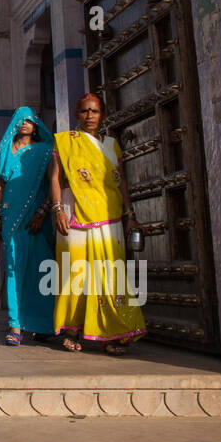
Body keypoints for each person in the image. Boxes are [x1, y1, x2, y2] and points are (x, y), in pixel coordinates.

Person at [47, 93, 146, 354]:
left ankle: (113, 332)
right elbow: (55, 177)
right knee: (75, 274)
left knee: (110, 276)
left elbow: (121, 180)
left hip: (109, 216)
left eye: (94, 111)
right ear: (77, 114)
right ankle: (72, 329)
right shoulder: (65, 142)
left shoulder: (112, 145)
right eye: (84, 111)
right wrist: (57, 209)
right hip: (74, 213)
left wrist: (130, 214)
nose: (89, 116)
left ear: (102, 114)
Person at [0, 107, 57, 345]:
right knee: (13, 269)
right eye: (21, 120)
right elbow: (0, 187)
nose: (26, 124)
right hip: (11, 217)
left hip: (36, 220)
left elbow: (53, 183)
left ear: (36, 125)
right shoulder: (5, 152)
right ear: (15, 124)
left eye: (31, 120)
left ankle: (44, 324)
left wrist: (42, 212)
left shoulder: (44, 151)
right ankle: (15, 325)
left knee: (43, 269)